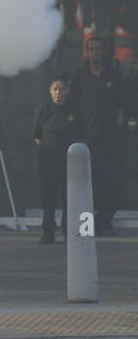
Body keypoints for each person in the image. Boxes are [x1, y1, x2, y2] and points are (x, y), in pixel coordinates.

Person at [68, 35, 128, 236]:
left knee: (108, 182)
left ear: (104, 51)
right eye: (91, 49)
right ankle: (86, 225)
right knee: (86, 184)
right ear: (86, 52)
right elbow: (72, 106)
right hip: (85, 138)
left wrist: (119, 132)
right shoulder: (79, 76)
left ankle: (104, 223)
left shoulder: (114, 75)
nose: (95, 53)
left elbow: (122, 105)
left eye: (98, 49)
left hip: (109, 138)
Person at [32, 76, 76, 244]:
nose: (59, 93)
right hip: (48, 162)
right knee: (48, 198)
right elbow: (36, 136)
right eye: (55, 89)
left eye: (62, 89)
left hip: (68, 163)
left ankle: (68, 232)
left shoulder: (74, 110)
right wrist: (48, 147)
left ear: (68, 91)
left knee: (68, 198)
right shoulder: (44, 110)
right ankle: (48, 232)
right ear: (50, 92)